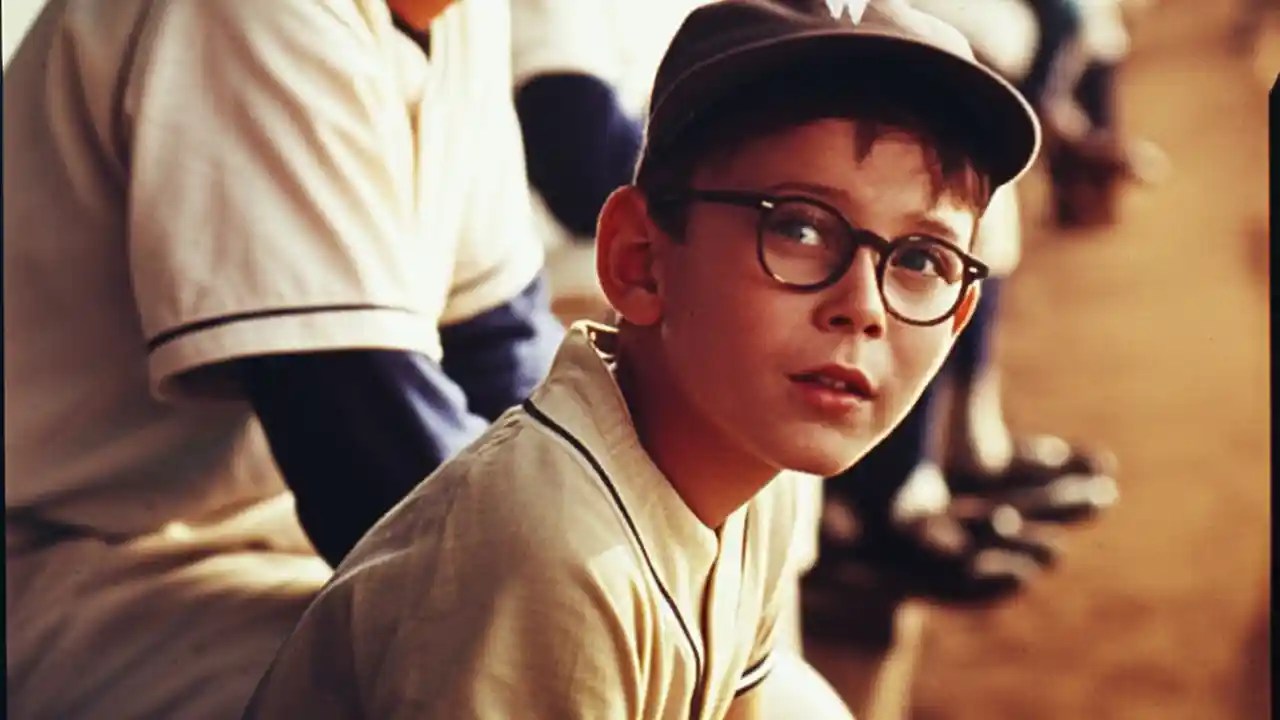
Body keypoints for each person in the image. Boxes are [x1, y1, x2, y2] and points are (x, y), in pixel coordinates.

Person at [244, 0, 1043, 716]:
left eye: (922, 260)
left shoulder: (756, 471)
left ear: (959, 315)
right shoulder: (552, 561)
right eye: (798, 228)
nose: (862, 304)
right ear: (639, 261)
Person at [4, 0, 562, 717]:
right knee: (506, 683)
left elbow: (503, 359)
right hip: (73, 560)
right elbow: (366, 464)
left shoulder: (462, 16)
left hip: (273, 544)